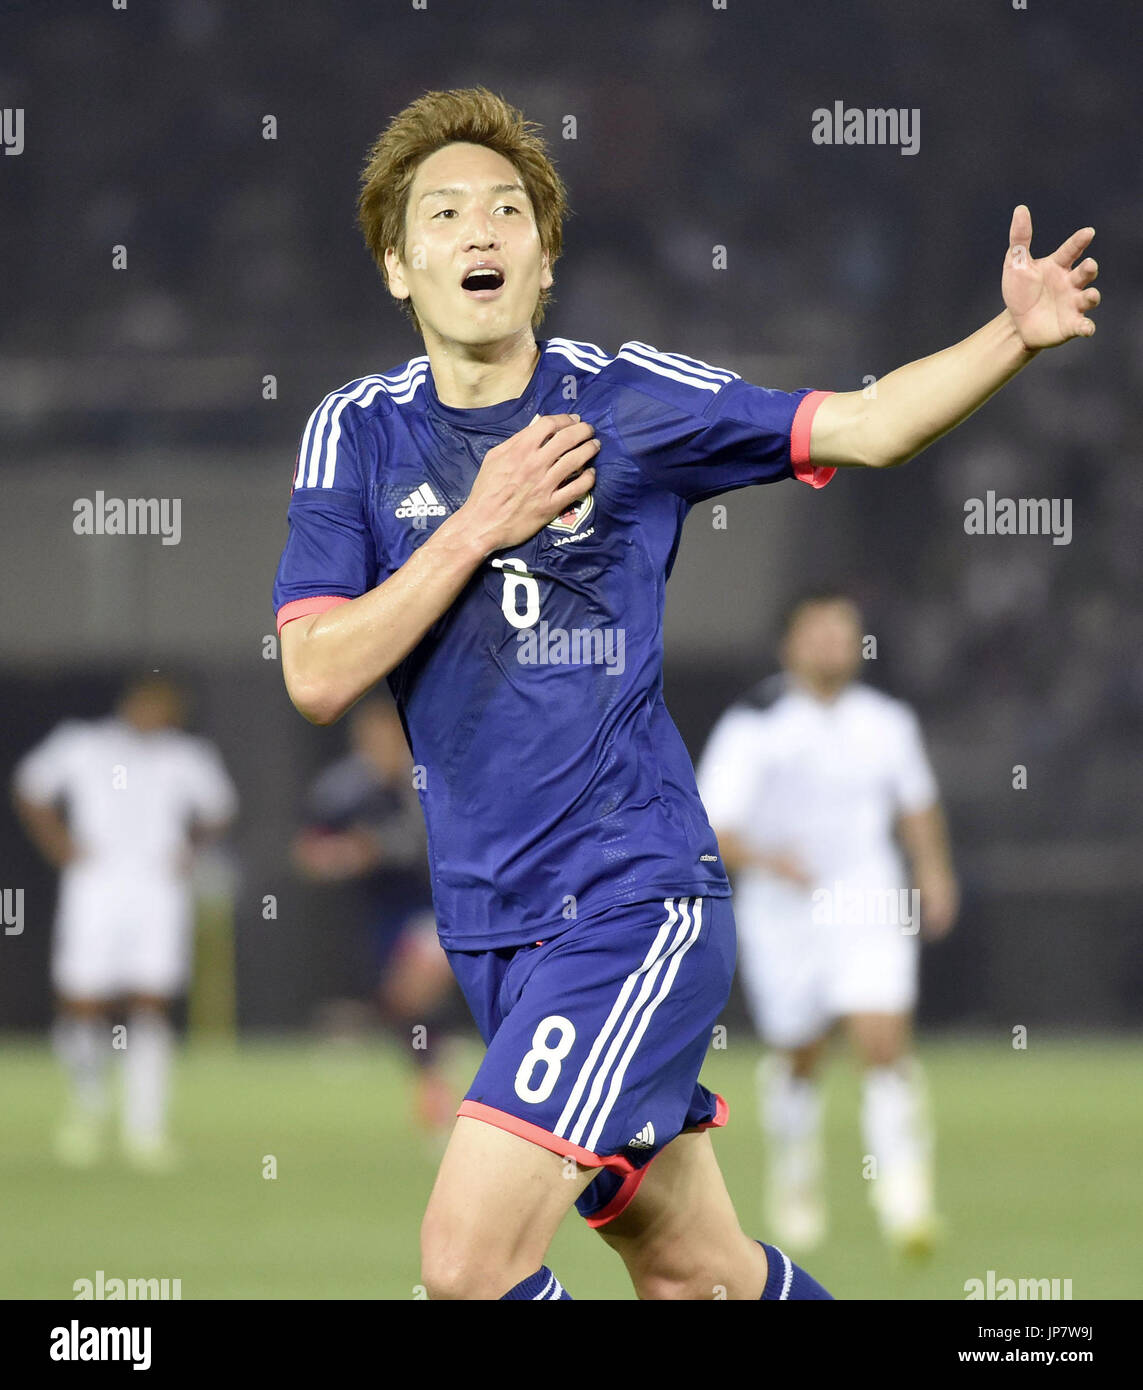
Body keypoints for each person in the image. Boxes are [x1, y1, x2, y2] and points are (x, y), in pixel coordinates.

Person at [271, 86, 1098, 1300]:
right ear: (400, 265)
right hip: (493, 932)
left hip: (631, 899)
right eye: (442, 214)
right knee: (695, 1272)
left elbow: (862, 424)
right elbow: (317, 670)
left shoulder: (629, 401)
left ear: (545, 256)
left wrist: (1009, 336)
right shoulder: (355, 434)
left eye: (508, 209)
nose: (481, 231)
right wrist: (478, 525)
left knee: (465, 1266)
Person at [696, 591, 958, 1256]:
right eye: (820, 634)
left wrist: (933, 874)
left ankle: (904, 1194)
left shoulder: (886, 721)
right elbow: (713, 831)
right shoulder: (754, 725)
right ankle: (795, 1172)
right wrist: (767, 859)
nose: (834, 646)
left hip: (866, 898)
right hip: (780, 912)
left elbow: (917, 806)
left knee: (880, 1037)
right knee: (800, 1054)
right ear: (790, 644)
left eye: (845, 633)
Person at [12, 674, 237, 1171]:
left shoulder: (187, 756)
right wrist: (60, 846)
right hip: (95, 888)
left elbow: (219, 808)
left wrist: (189, 851)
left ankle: (146, 1126)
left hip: (157, 892)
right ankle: (87, 1109)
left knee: (151, 1003)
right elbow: (31, 787)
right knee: (83, 1001)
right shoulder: (83, 743)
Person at [292, 695, 458, 1132]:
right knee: (400, 1004)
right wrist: (343, 856)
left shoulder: (430, 779)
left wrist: (380, 849)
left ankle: (441, 1081)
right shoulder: (344, 789)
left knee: (412, 989)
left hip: (443, 906)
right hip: (384, 912)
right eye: (371, 739)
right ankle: (436, 1074)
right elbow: (309, 852)